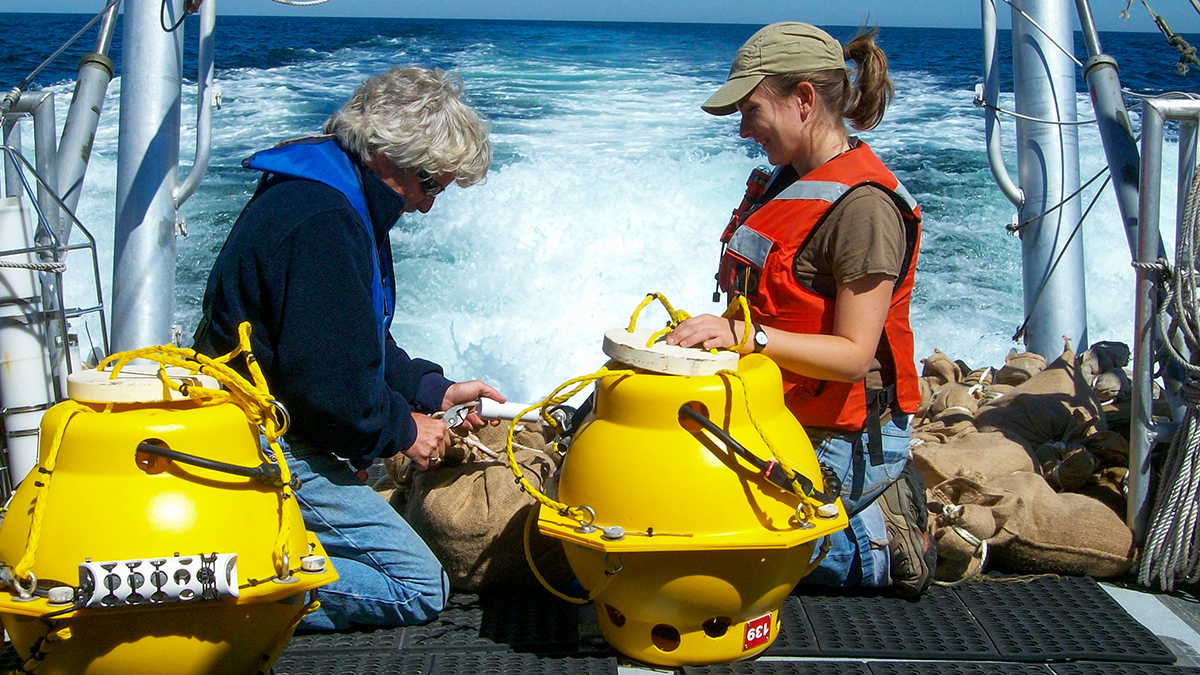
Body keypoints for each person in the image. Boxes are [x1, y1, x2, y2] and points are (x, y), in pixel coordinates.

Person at [192, 66, 505, 629]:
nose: (428, 205)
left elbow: (353, 336)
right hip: (254, 440)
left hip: (274, 420)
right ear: (386, 157)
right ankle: (210, 591)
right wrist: (406, 430)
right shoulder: (322, 221)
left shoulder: (331, 195)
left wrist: (434, 390)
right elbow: (332, 387)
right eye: (429, 184)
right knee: (415, 585)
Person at [666, 22, 936, 598]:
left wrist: (746, 338)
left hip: (840, 437)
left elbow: (852, 355)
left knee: (713, 548)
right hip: (775, 411)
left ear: (804, 100)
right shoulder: (788, 184)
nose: (743, 129)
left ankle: (880, 538)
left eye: (751, 110)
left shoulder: (864, 209)